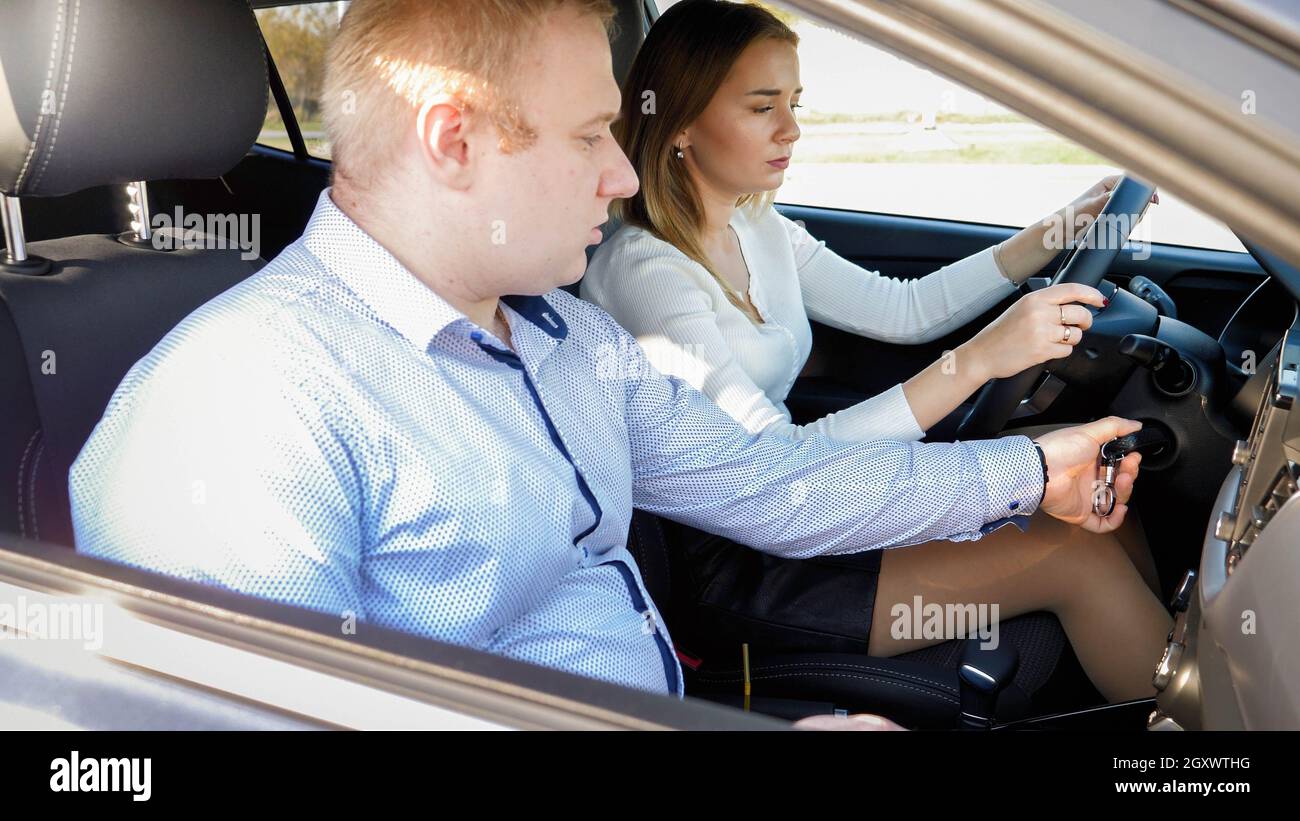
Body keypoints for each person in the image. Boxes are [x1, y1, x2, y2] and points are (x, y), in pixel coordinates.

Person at [69, 0, 1145, 725]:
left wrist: (1028, 471)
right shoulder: (239, 407)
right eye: (590, 136)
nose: (622, 181)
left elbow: (770, 484)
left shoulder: (563, 337)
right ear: (454, 142)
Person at [582, 0, 1170, 701]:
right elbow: (773, 473)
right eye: (762, 106)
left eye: (795, 102)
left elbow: (904, 309)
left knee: (1094, 474)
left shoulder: (757, 225)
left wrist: (1059, 229)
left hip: (808, 498)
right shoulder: (645, 273)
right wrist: (979, 359)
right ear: (680, 122)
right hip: (735, 557)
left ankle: (1166, 677)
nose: (792, 129)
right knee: (1079, 549)